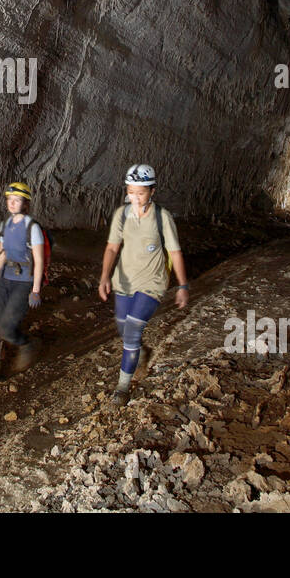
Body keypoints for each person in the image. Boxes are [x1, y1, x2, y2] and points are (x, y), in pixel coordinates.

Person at [97, 164, 189, 407]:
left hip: (152, 283)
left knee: (132, 332)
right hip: (124, 281)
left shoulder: (162, 218)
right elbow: (112, 247)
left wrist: (182, 285)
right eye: (130, 192)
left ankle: (122, 388)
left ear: (152, 192)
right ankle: (140, 352)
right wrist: (105, 276)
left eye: (140, 193)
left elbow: (175, 252)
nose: (135, 198)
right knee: (122, 328)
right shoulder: (121, 215)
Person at [0, 181, 45, 384]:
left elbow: (39, 259)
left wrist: (35, 290)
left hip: (23, 281)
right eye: (10, 199)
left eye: (17, 200)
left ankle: (26, 344)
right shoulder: (5, 225)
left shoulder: (32, 228)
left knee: (6, 327)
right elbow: (1, 254)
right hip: (5, 279)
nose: (12, 203)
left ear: (25, 204)